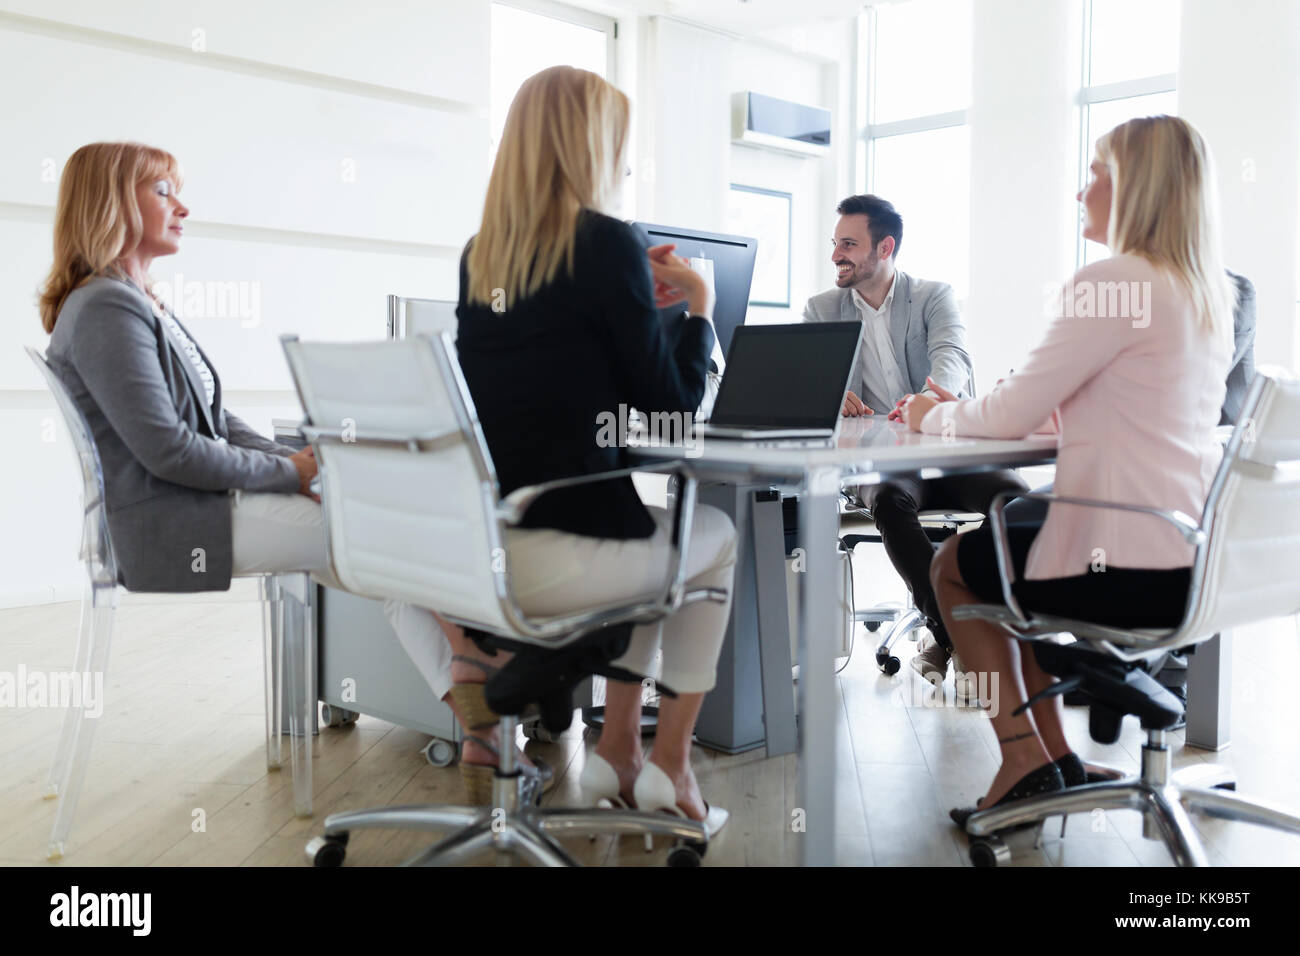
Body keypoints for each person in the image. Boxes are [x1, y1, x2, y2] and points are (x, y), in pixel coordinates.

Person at [38, 142, 527, 801]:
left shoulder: (133, 299)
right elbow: (170, 451)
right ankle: (494, 711)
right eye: (163, 193)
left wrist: (299, 464)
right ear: (114, 204)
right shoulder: (106, 308)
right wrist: (291, 476)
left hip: (190, 507)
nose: (183, 208)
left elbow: (214, 420)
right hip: (174, 520)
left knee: (388, 563)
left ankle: (480, 725)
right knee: (401, 536)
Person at [390, 65, 736, 835]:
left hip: (481, 555)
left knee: (661, 540)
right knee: (713, 542)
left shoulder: (483, 256)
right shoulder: (608, 244)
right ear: (589, 147)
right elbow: (673, 413)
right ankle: (668, 762)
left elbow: (554, 381)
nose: (623, 162)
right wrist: (697, 312)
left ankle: (619, 752)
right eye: (617, 144)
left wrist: (629, 311)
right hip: (562, 561)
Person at [901, 115, 1236, 823]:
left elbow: (1007, 415)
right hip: (1192, 554)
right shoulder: (1206, 294)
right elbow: (1122, 402)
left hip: (1125, 564)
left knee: (955, 565)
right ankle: (1055, 759)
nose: (1081, 191)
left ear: (1136, 188)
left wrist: (932, 415)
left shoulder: (1115, 281)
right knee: (1006, 543)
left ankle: (1025, 754)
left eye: (1096, 173)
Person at [802, 194, 1027, 695]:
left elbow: (952, 360)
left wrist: (925, 403)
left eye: (848, 244)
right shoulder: (822, 310)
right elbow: (811, 386)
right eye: (835, 244)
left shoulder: (932, 296)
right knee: (888, 500)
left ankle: (989, 628)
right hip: (881, 465)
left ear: (885, 247)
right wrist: (833, 398)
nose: (836, 255)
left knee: (1015, 498)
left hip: (947, 455)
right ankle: (960, 636)